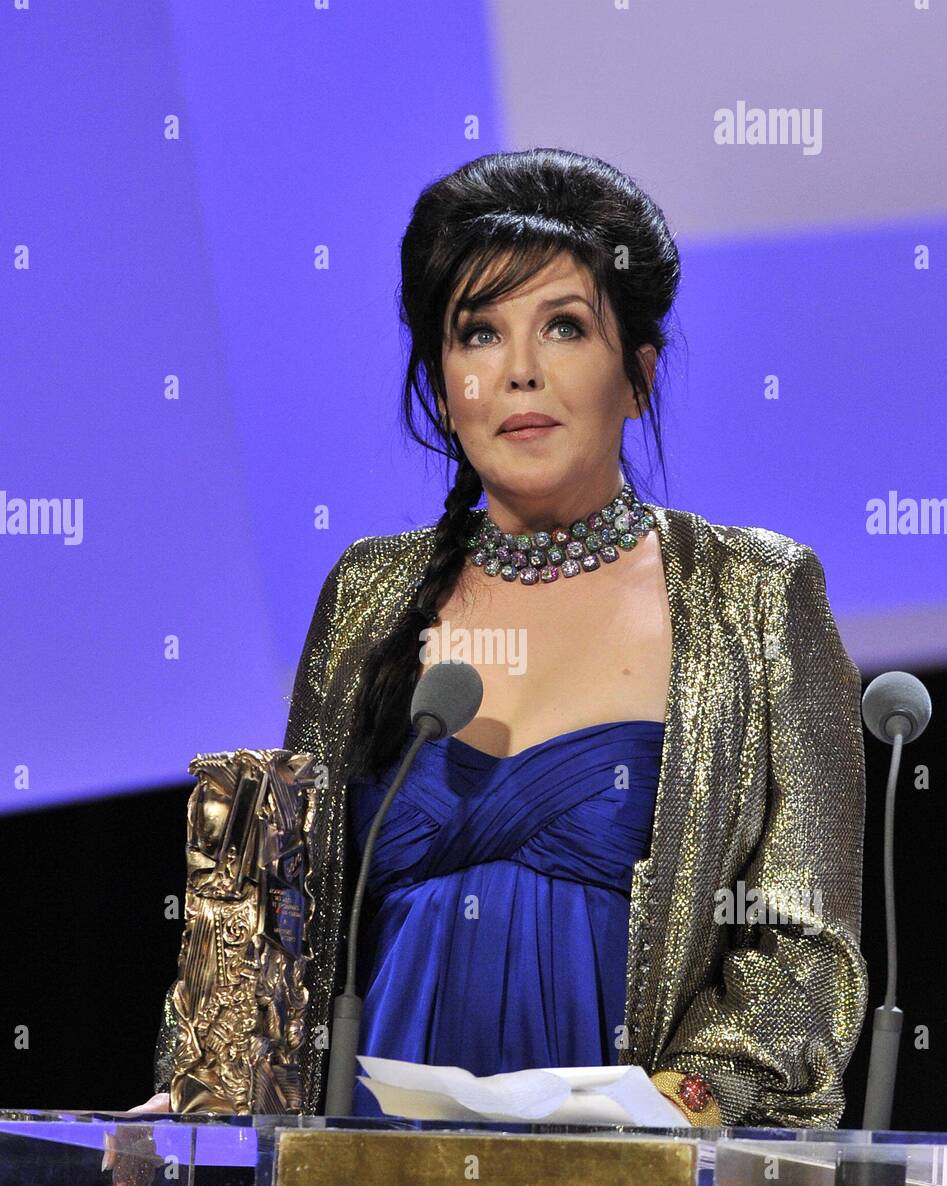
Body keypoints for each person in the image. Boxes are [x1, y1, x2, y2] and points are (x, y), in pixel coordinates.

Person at [148, 147, 869, 1130]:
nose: (519, 369)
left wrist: (681, 1104)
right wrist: (207, 1089)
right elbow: (289, 905)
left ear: (638, 375)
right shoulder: (366, 593)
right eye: (477, 333)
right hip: (372, 1185)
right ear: (445, 388)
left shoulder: (756, 597)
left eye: (563, 327)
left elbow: (802, 940)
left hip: (630, 1185)